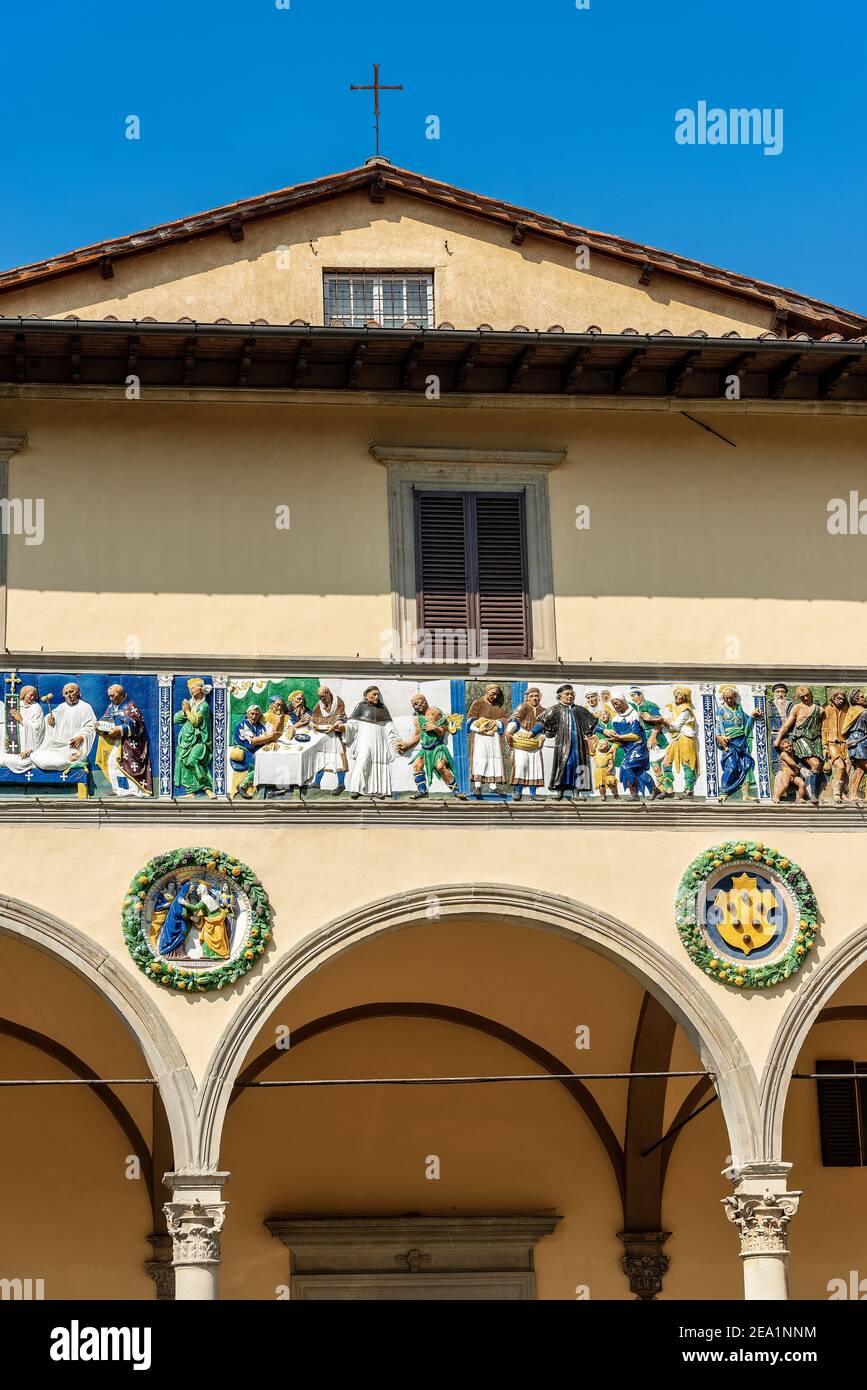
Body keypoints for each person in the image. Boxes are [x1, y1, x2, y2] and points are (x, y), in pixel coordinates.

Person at [396, 693, 467, 799]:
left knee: (440, 767)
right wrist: (406, 745)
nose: (416, 707)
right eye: (414, 705)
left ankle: (456, 791)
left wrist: (433, 727)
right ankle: (423, 791)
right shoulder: (417, 718)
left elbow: (442, 732)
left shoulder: (435, 712)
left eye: (417, 703)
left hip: (437, 748)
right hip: (425, 749)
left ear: (424, 701)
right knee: (416, 765)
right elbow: (417, 736)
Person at [542, 684, 597, 800]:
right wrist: (532, 733)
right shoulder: (554, 710)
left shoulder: (580, 710)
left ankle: (577, 793)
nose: (570, 696)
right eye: (567, 694)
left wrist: (605, 731)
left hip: (578, 743)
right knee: (565, 764)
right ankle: (560, 791)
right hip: (563, 742)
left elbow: (592, 725)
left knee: (578, 764)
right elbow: (541, 722)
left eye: (572, 694)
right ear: (559, 696)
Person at [96, 683, 152, 796]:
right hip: (117, 743)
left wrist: (120, 729)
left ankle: (135, 790)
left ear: (120, 694)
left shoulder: (130, 706)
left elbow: (137, 724)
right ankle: (118, 790)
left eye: (113, 696)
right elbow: (105, 719)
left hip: (130, 743)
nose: (111, 699)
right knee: (112, 763)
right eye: (109, 696)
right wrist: (99, 726)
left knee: (131, 765)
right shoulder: (112, 707)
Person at [345, 686, 400, 799]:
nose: (376, 697)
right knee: (363, 759)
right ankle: (356, 789)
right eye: (374, 694)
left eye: (378, 695)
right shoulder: (360, 707)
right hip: (364, 737)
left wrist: (396, 741)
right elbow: (352, 725)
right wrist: (343, 728)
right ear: (366, 695)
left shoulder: (382, 709)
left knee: (378, 761)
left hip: (379, 738)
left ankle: (376, 789)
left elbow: (389, 727)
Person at [602, 692, 659, 798]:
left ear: (623, 702)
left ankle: (634, 795)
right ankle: (654, 789)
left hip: (639, 747)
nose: (616, 705)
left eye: (617, 702)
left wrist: (620, 738)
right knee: (637, 770)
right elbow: (618, 738)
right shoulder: (615, 719)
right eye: (613, 704)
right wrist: (613, 748)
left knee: (626, 766)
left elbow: (636, 736)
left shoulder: (634, 715)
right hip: (628, 749)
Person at [774, 685, 824, 806]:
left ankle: (809, 793)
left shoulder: (820, 710)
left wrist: (826, 746)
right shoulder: (797, 708)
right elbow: (786, 726)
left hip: (816, 741)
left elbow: (825, 729)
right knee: (815, 764)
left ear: (811, 694)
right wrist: (778, 738)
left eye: (807, 695)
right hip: (802, 739)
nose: (806, 698)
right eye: (802, 697)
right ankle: (813, 794)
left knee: (822, 766)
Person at [30, 683, 97, 772]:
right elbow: (50, 719)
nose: (69, 695)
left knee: (71, 757)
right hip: (58, 745)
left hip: (73, 746)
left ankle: (65, 763)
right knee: (37, 754)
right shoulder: (61, 707)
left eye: (71, 692)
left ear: (77, 692)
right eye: (66, 693)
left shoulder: (85, 707)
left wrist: (81, 736)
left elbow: (91, 726)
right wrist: (49, 720)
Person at [715, 685, 762, 802]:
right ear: (723, 699)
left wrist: (753, 715)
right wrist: (719, 736)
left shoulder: (739, 708)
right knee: (731, 766)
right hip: (729, 742)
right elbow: (717, 725)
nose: (729, 700)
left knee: (746, 766)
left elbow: (746, 723)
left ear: (735, 696)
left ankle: (745, 794)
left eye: (731, 697)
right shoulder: (721, 709)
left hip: (741, 740)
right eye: (726, 698)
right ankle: (724, 791)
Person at [172, 678, 214, 797]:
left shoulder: (203, 706)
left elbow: (196, 722)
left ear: (201, 689)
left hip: (200, 741)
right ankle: (191, 790)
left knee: (192, 760)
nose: (191, 691)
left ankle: (207, 787)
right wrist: (185, 711)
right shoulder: (192, 704)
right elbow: (175, 719)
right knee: (183, 762)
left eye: (193, 688)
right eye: (190, 689)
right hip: (186, 740)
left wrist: (187, 710)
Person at [466, 684, 507, 799]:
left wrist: (497, 722)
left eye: (496, 695)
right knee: (481, 759)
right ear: (487, 691)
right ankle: (477, 786)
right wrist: (479, 728)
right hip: (480, 736)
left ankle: (493, 786)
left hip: (493, 737)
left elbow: (504, 720)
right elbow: (470, 721)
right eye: (492, 694)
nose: (495, 697)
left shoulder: (498, 707)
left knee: (493, 760)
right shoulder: (477, 703)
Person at [506, 686, 545, 800]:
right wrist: (509, 731)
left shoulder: (543, 711)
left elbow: (546, 725)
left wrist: (543, 736)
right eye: (531, 696)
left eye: (536, 696)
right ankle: (518, 792)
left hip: (535, 741)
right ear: (526, 698)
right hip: (522, 738)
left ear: (540, 697)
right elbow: (515, 719)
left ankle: (533, 794)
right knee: (521, 765)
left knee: (535, 767)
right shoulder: (523, 707)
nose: (534, 698)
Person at [659, 685, 699, 797]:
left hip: (686, 737)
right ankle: (669, 789)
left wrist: (665, 720)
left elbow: (676, 725)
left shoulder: (686, 709)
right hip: (675, 739)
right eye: (676, 694)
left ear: (685, 697)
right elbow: (666, 720)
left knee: (687, 763)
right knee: (666, 762)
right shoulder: (671, 707)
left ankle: (689, 789)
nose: (677, 696)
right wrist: (665, 719)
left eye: (680, 694)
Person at [229, 704, 275, 799]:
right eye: (252, 714)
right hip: (245, 752)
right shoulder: (242, 724)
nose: (254, 716)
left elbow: (264, 738)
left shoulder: (260, 726)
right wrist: (270, 738)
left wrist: (269, 741)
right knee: (260, 765)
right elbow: (254, 741)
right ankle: (242, 786)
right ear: (248, 714)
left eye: (257, 714)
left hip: (256, 752)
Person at [311, 686, 348, 795]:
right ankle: (317, 783)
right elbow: (313, 718)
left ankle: (341, 785)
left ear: (328, 693)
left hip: (334, 736)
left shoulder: (338, 702)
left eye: (323, 696)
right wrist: (313, 725)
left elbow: (342, 718)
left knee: (338, 760)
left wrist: (335, 726)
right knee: (320, 759)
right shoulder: (319, 705)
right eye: (320, 697)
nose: (323, 699)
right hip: (322, 736)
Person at [0, 684, 45, 774]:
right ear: (24, 694)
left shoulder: (36, 707)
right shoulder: (15, 705)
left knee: (25, 760)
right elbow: (7, 724)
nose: (32, 697)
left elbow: (38, 728)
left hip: (30, 745)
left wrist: (21, 720)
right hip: (15, 742)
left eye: (34, 696)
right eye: (30, 694)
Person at [822, 688, 851, 806]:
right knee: (840, 766)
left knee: (848, 769)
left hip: (846, 743)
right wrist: (825, 746)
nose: (840, 701)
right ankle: (836, 793)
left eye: (842, 699)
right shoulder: (827, 710)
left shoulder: (847, 710)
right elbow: (824, 729)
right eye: (838, 698)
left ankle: (843, 791)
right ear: (833, 698)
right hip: (832, 743)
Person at [844, 688, 867, 802]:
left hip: (855, 741)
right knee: (863, 767)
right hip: (859, 741)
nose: (865, 699)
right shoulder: (863, 711)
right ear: (856, 699)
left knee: (860, 769)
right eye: (862, 697)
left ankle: (853, 795)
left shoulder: (852, 711)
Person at [768, 682, 792, 778]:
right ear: (774, 694)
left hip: (789, 735)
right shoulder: (769, 704)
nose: (780, 694)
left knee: (790, 757)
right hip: (774, 734)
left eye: (782, 692)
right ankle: (778, 777)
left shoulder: (790, 704)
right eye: (777, 692)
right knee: (776, 759)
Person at [773, 738, 807, 803]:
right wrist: (798, 767)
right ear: (783, 749)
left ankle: (800, 798)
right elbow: (791, 762)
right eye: (786, 747)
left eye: (790, 746)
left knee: (802, 784)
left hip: (794, 776)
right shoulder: (783, 754)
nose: (789, 748)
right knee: (785, 785)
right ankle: (776, 797)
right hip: (786, 774)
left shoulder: (792, 753)